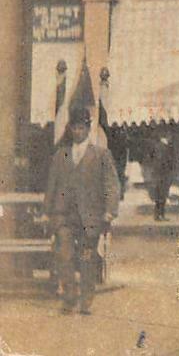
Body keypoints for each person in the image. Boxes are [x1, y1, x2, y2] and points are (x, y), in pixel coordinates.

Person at [45, 107, 121, 315]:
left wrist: (109, 211)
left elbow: (111, 185)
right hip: (64, 217)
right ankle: (69, 298)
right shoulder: (61, 155)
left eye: (81, 128)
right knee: (65, 256)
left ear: (88, 128)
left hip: (90, 218)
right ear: (70, 129)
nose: (78, 132)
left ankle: (86, 300)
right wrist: (48, 211)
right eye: (74, 128)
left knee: (87, 259)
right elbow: (52, 184)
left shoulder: (101, 155)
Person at [148, 126, 176, 221]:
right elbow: (162, 162)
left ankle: (159, 215)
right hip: (162, 175)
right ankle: (160, 215)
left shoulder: (158, 146)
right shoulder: (163, 147)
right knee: (161, 196)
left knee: (160, 196)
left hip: (159, 175)